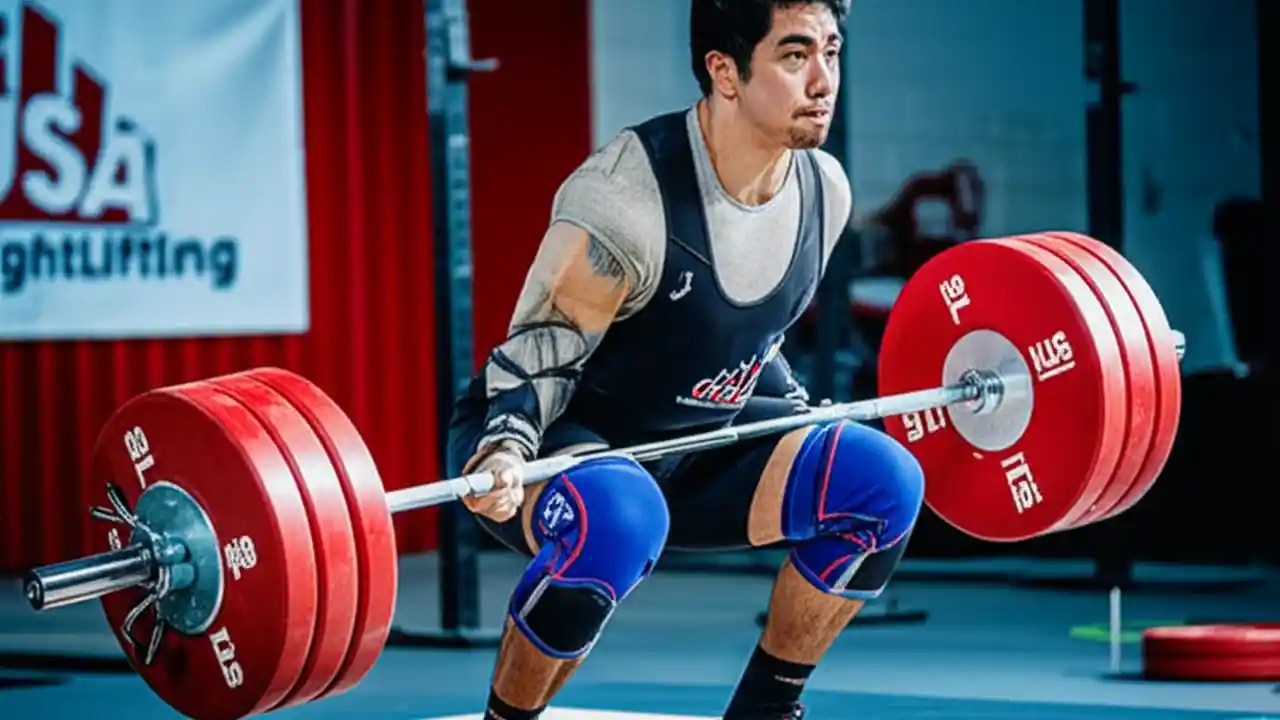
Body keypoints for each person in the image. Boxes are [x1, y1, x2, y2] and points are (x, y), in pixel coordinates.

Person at [447, 2, 924, 718]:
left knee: (881, 480)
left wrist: (794, 418)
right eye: (795, 57)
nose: (823, 80)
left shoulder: (824, 191)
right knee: (621, 516)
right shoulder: (626, 199)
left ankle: (765, 710)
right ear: (725, 73)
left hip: (693, 449)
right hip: (562, 443)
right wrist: (502, 449)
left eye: (832, 51)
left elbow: (748, 336)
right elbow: (541, 349)